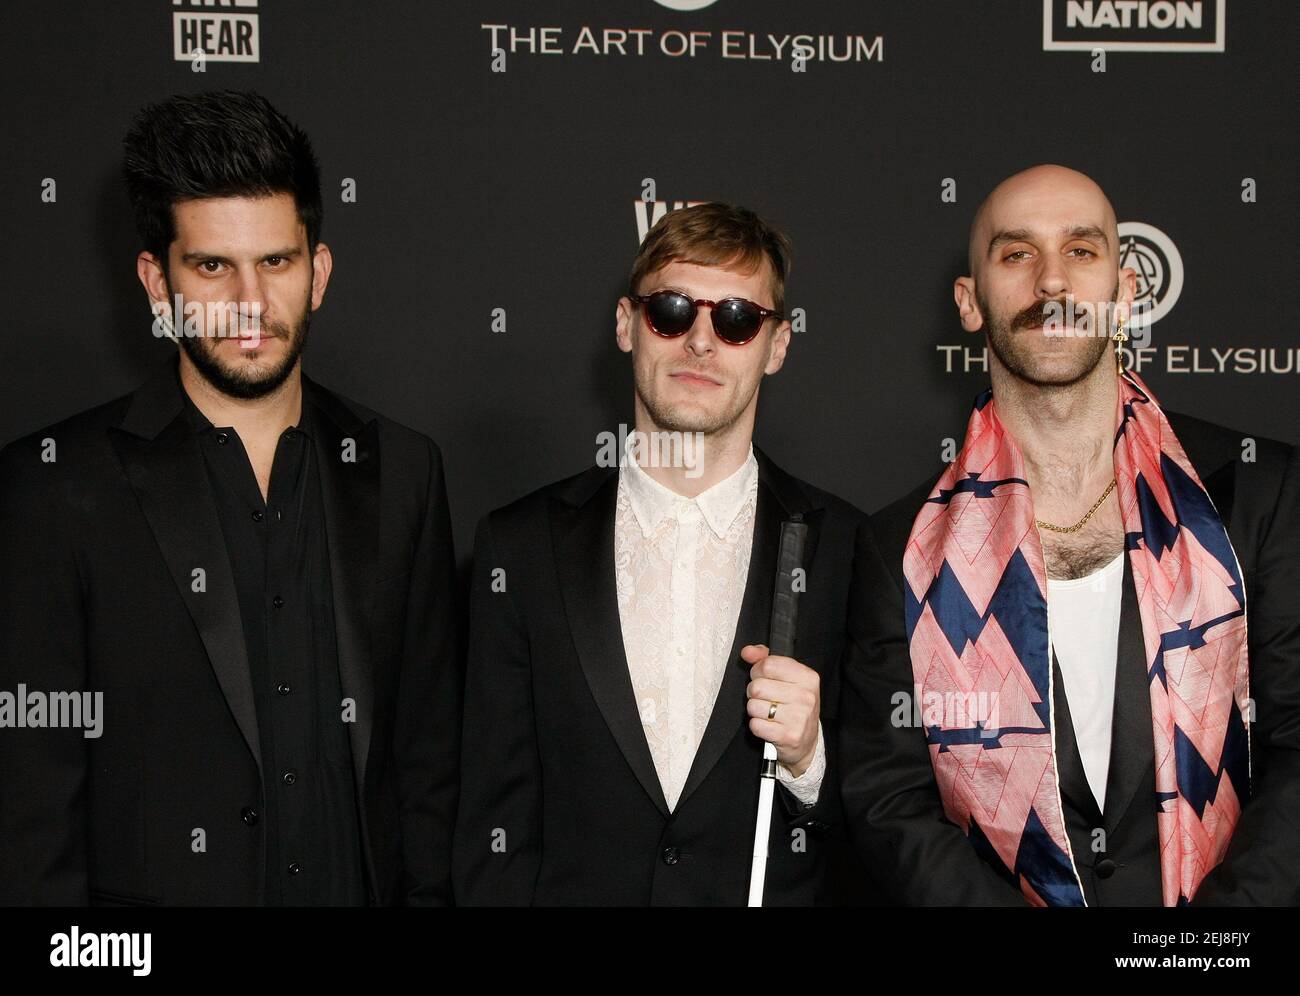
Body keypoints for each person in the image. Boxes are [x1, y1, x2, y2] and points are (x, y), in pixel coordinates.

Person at [0, 90, 461, 906]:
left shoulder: (403, 472)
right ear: (156, 280)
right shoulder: (54, 487)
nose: (249, 300)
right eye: (213, 266)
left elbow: (427, 771)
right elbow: (35, 813)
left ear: (317, 272)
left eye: (275, 262)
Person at [841, 164, 1300, 906]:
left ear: (1124, 292)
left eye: (1081, 252)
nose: (1052, 283)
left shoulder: (1257, 493)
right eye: (1017, 254)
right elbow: (891, 804)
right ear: (969, 301)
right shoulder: (904, 546)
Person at [454, 203, 871, 905]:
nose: (702, 342)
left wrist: (809, 761)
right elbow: (491, 828)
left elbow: (892, 835)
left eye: (737, 318)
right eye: (672, 311)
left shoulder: (851, 550)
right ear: (626, 325)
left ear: (776, 345)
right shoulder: (519, 548)